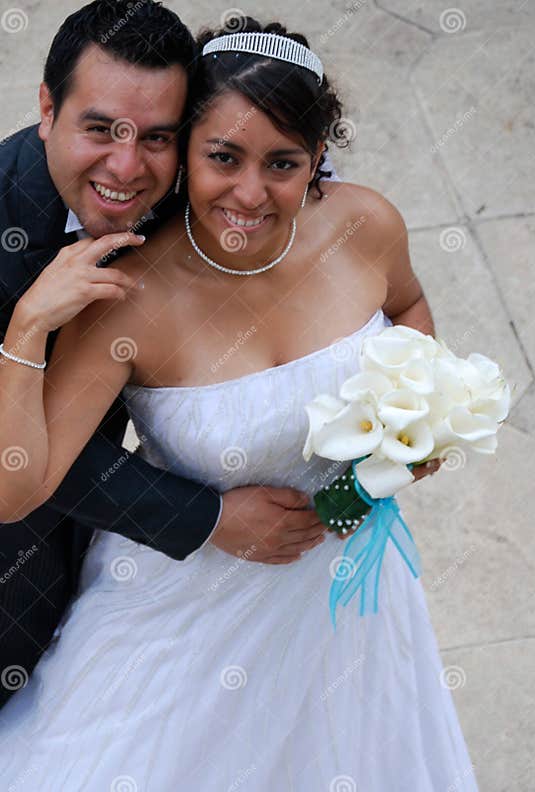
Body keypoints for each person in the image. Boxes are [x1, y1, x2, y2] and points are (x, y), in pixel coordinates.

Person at [0, 15, 474, 791]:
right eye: (223, 157)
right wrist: (27, 326)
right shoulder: (125, 292)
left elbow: (411, 308)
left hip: (345, 583)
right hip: (177, 608)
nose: (250, 194)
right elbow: (22, 479)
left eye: (283, 163)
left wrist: (410, 435)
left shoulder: (365, 225)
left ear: (318, 156)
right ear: (189, 154)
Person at [0, 1, 331, 710]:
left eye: (157, 137)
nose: (126, 168)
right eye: (99, 129)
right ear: (46, 108)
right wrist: (207, 518)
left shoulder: (197, 190)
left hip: (99, 567)